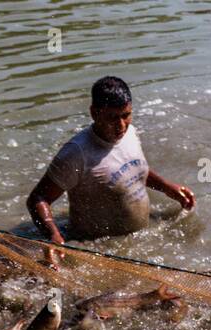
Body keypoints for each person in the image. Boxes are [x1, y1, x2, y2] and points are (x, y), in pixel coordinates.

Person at [27, 76, 195, 260]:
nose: (121, 125)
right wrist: (53, 234)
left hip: (140, 241)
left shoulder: (129, 133)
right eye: (113, 117)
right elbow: (38, 198)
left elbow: (134, 170)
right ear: (94, 113)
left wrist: (167, 187)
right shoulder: (77, 154)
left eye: (126, 115)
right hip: (98, 250)